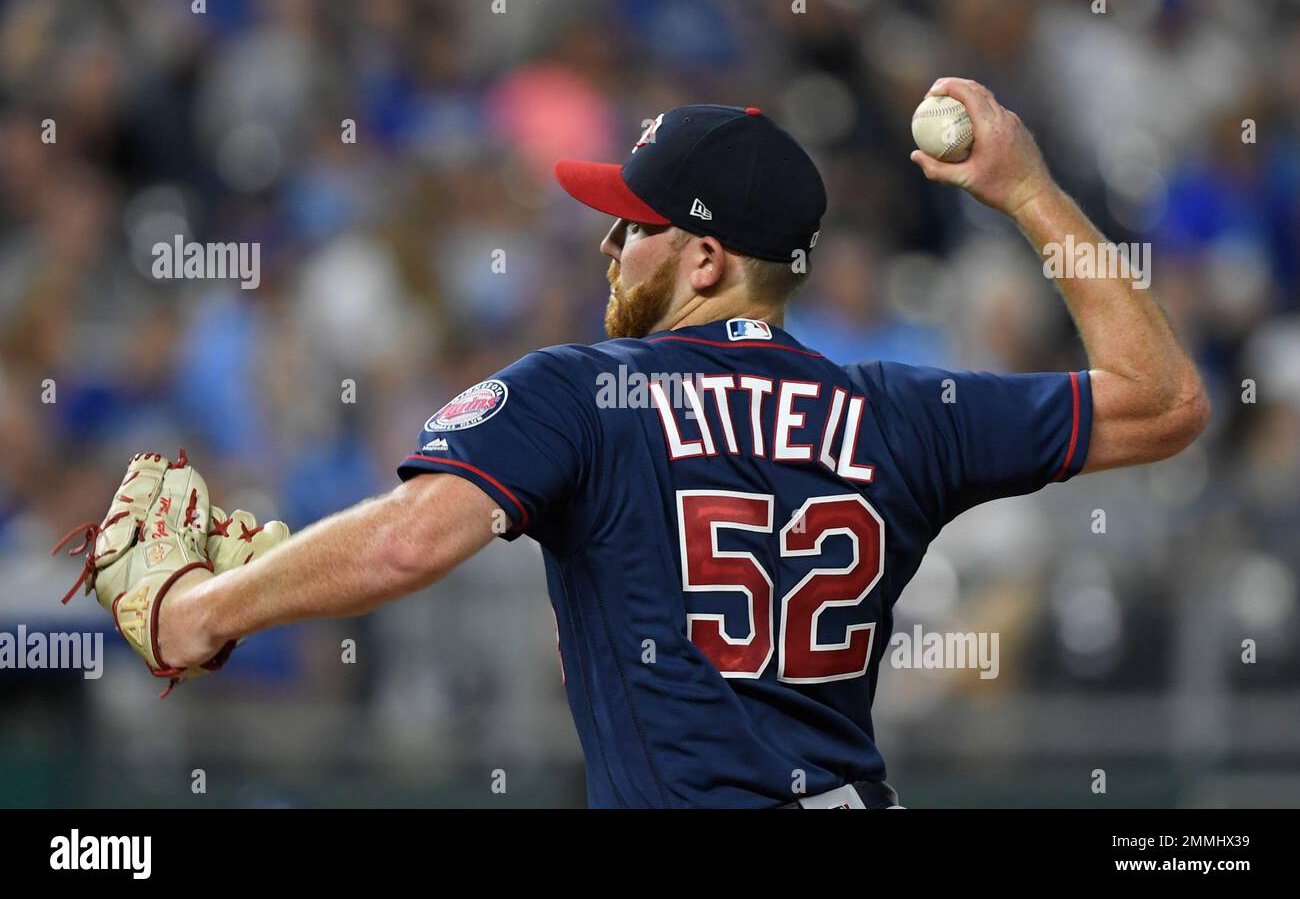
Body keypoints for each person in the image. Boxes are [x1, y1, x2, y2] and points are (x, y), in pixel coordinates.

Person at [150, 80, 1209, 808]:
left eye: (633, 225)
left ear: (704, 258)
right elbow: (1163, 403)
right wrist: (1024, 186)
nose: (609, 244)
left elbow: (404, 544)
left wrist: (201, 609)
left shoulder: (579, 390)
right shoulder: (900, 410)